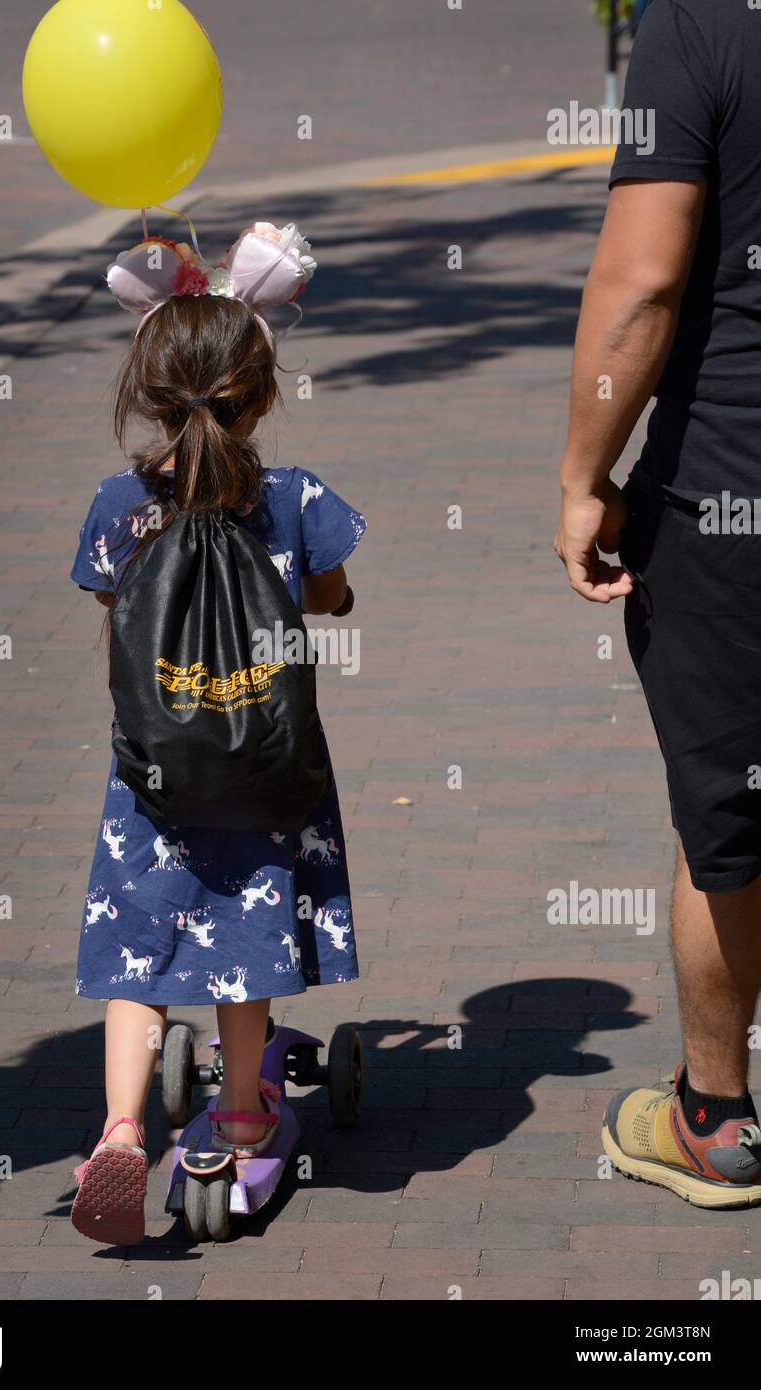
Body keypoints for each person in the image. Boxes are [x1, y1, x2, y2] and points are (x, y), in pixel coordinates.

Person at [68, 224, 366, 1244]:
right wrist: (324, 588)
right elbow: (331, 593)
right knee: (243, 956)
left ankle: (118, 1130)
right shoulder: (292, 500)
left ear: (147, 393)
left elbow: (112, 608)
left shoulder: (119, 504)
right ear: (265, 393)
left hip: (151, 784)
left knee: (138, 964)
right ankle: (242, 1113)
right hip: (268, 774)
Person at [554, 0, 761, 1207]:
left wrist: (583, 475)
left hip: (732, 488)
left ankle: (714, 1117)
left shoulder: (697, 25)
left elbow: (638, 286)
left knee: (727, 812)